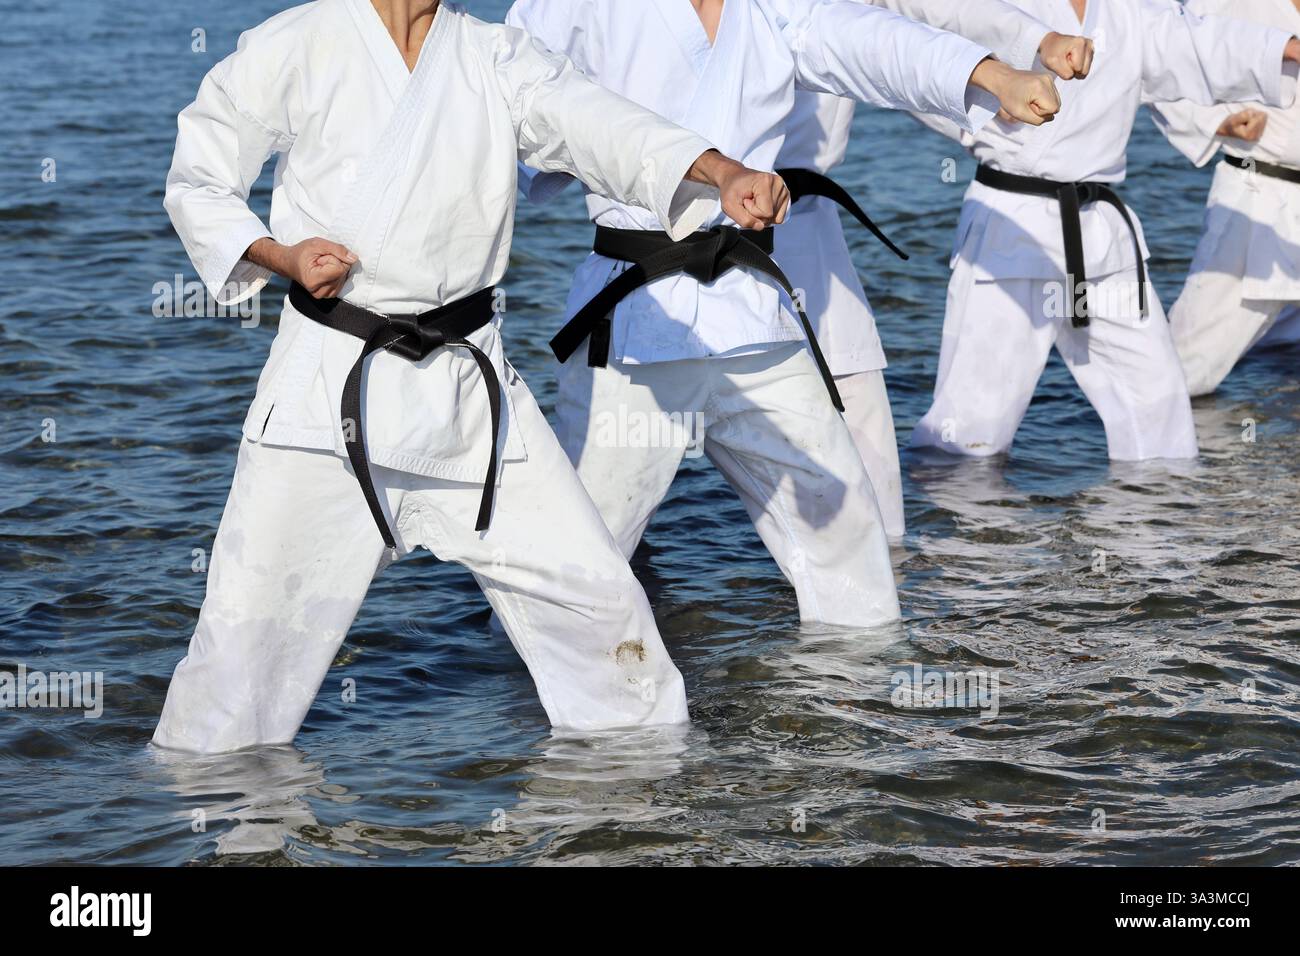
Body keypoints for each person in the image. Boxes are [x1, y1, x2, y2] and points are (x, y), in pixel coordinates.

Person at [152, 0, 790, 754]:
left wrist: (722, 172)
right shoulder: (300, 39)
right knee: (239, 671)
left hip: (473, 396)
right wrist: (281, 256)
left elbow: (606, 126)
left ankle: (625, 815)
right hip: (329, 399)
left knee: (604, 617)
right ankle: (208, 827)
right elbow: (199, 179)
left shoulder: (495, 56)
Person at [507, 0, 1060, 627]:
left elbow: (866, 40)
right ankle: (549, 711)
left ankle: (849, 704)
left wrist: (989, 75)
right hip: (640, 319)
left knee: (847, 534)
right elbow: (506, 113)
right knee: (580, 567)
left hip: (753, 315)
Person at [909, 0, 1300, 463]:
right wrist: (975, 113)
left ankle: (1147, 530)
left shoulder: (1126, 9)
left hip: (1104, 233)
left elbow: (1192, 41)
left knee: (1159, 406)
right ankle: (958, 530)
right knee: (973, 422)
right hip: (1011, 225)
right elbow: (917, 53)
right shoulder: (999, 7)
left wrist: (1287, 49)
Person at [775, 0, 1094, 537]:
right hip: (671, 231)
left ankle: (881, 586)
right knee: (627, 474)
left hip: (808, 224)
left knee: (864, 441)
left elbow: (915, 27)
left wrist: (1022, 52)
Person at [1152, 0, 1300, 397]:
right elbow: (1155, 58)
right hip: (1260, 197)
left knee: (1286, 351)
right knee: (1186, 372)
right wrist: (1215, 122)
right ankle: (1161, 457)